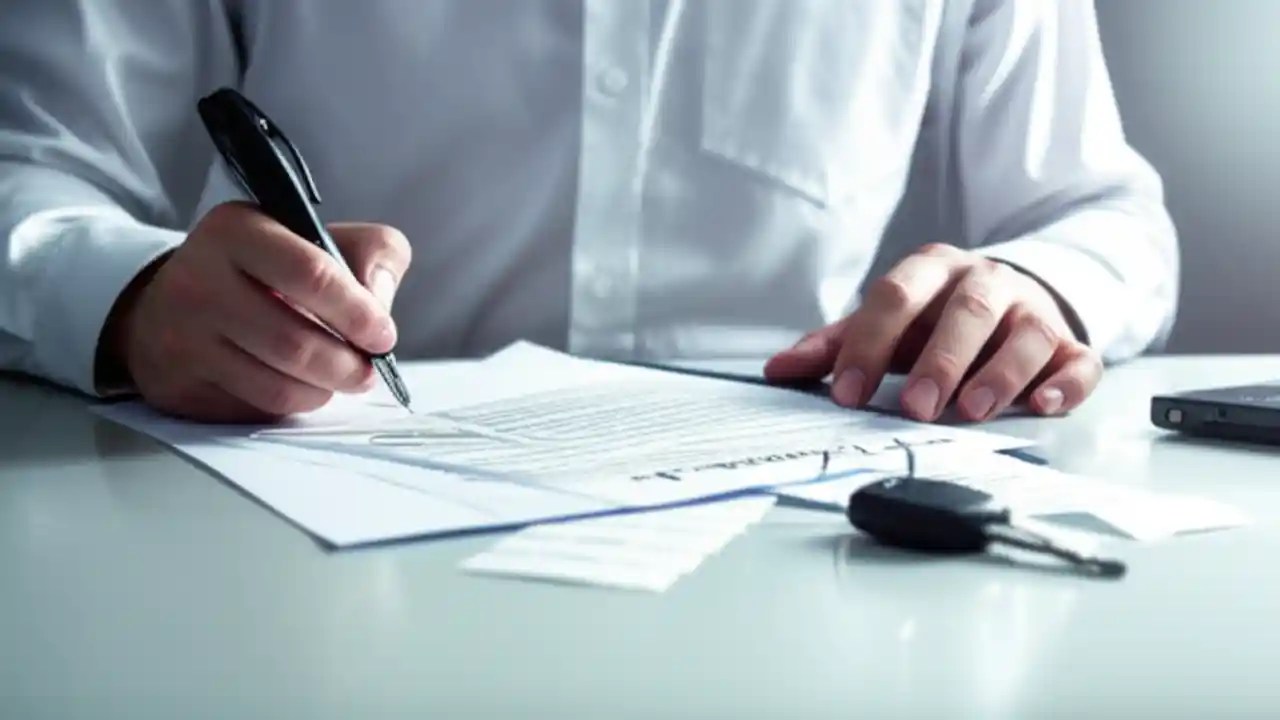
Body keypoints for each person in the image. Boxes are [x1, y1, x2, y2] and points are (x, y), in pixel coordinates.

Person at [0, 1, 1176, 424]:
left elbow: (1101, 212)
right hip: (305, 502)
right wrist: (135, 302)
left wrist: (1035, 290)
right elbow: (28, 166)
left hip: (815, 525)